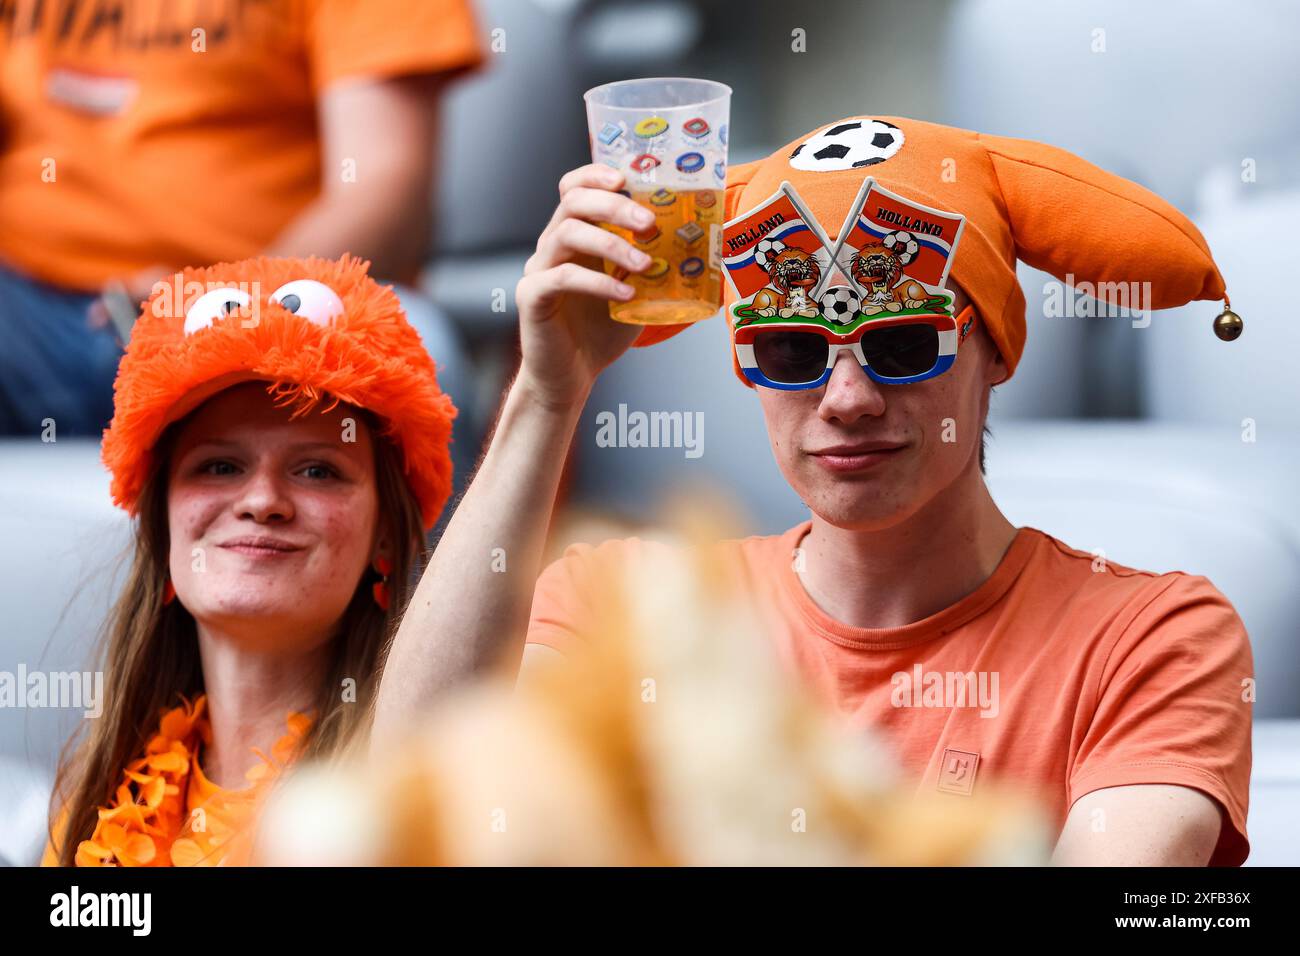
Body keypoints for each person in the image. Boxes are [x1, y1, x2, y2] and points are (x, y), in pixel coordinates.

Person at [373, 115, 1254, 867]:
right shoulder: (631, 610)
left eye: (904, 344)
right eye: (792, 351)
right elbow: (409, 793)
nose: (848, 399)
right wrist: (545, 392)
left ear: (994, 354)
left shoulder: (1154, 637)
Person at [43, 254, 457, 866]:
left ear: (385, 538)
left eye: (318, 471)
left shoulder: (418, 793)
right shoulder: (91, 799)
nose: (263, 501)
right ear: (162, 525)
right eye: (220, 466)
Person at [0, 0, 485, 437]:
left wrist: (223, 304)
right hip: (26, 312)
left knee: (417, 358)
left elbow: (384, 187)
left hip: (264, 310)